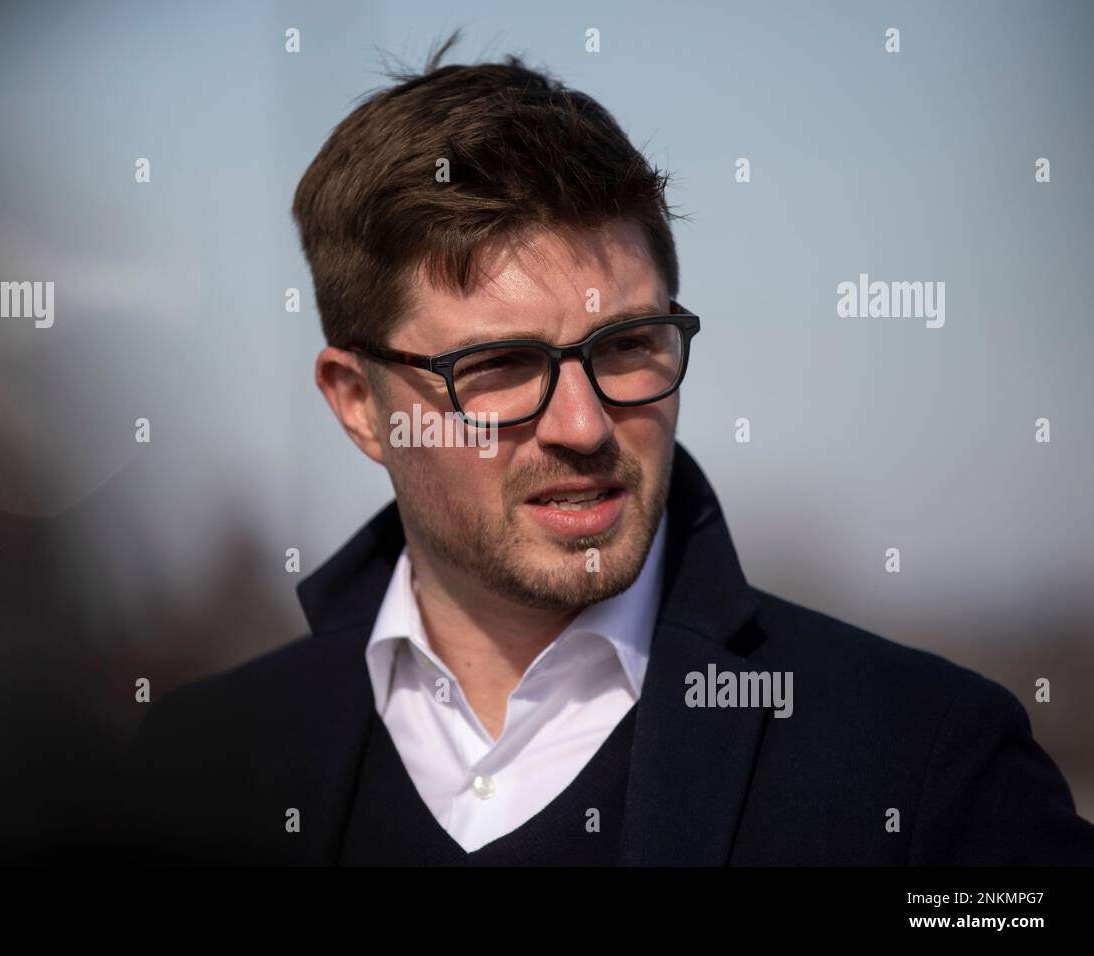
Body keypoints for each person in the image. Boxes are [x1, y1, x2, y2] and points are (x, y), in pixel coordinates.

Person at [120, 33, 1094, 865]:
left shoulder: (921, 764)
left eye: (625, 345)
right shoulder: (193, 771)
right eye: (499, 364)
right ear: (357, 402)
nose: (583, 425)